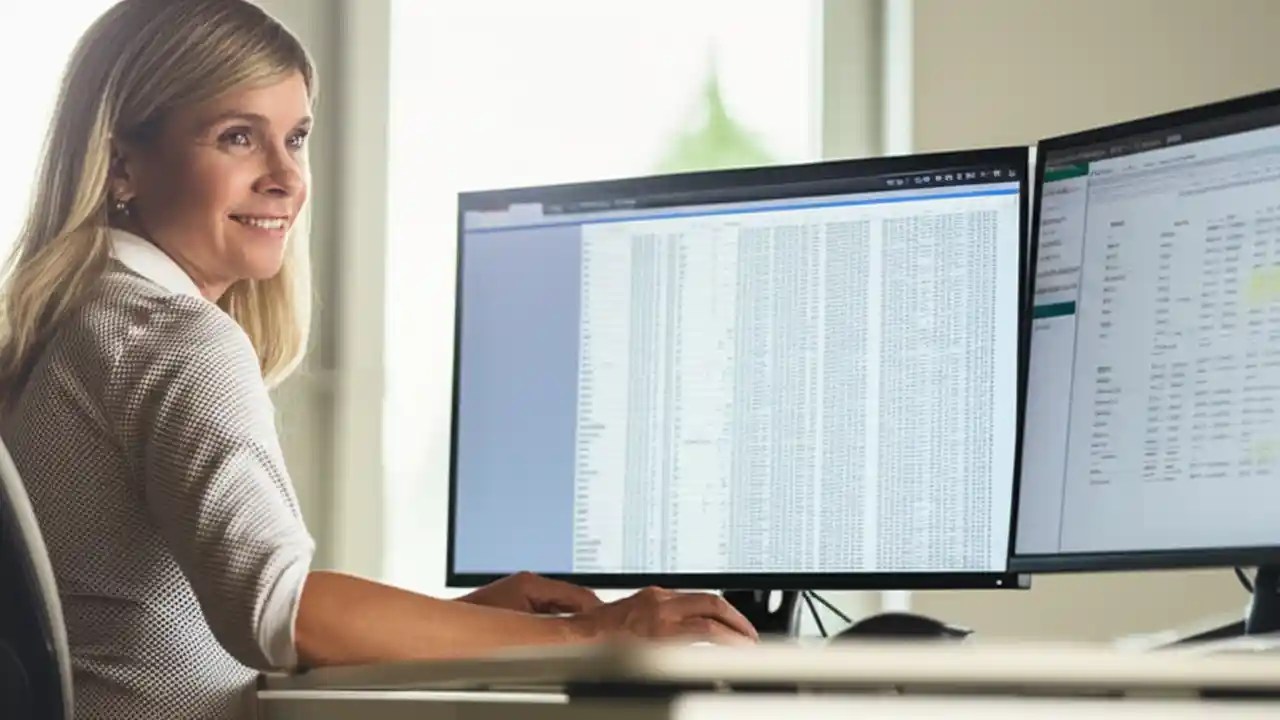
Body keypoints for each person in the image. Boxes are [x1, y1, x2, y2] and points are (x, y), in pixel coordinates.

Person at [0, 1, 757, 718]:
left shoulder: (76, 324)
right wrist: (592, 634)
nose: (286, 177)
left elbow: (156, 630)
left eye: (296, 138)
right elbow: (280, 612)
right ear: (122, 165)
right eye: (237, 137)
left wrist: (468, 624)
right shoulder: (174, 337)